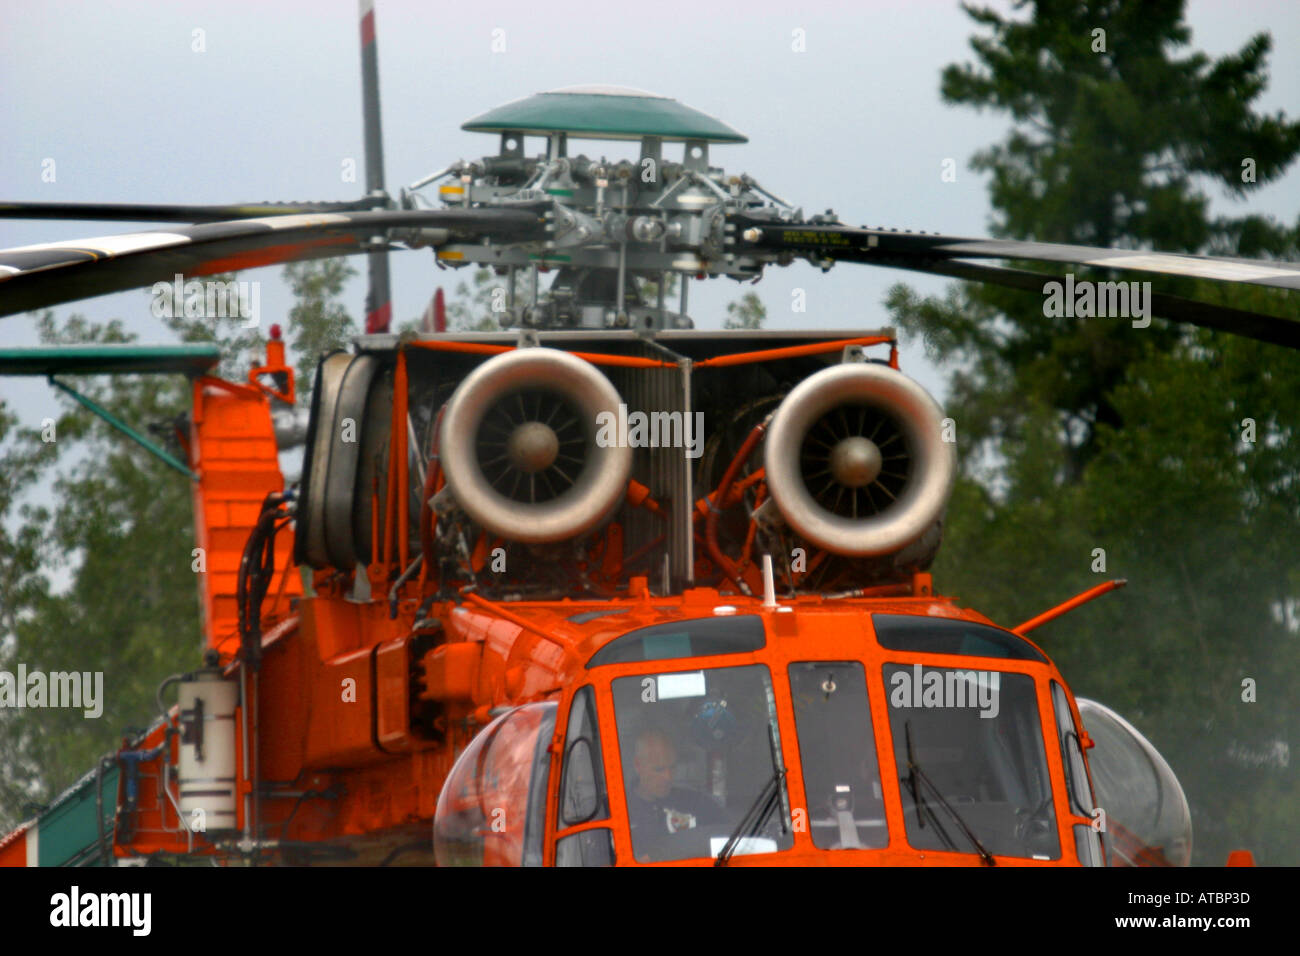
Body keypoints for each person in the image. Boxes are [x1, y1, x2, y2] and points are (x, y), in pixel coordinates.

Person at [624, 728, 724, 860]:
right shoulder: (619, 811)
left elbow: (729, 842)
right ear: (638, 766)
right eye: (658, 769)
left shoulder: (698, 804)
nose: (668, 776)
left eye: (672, 767)